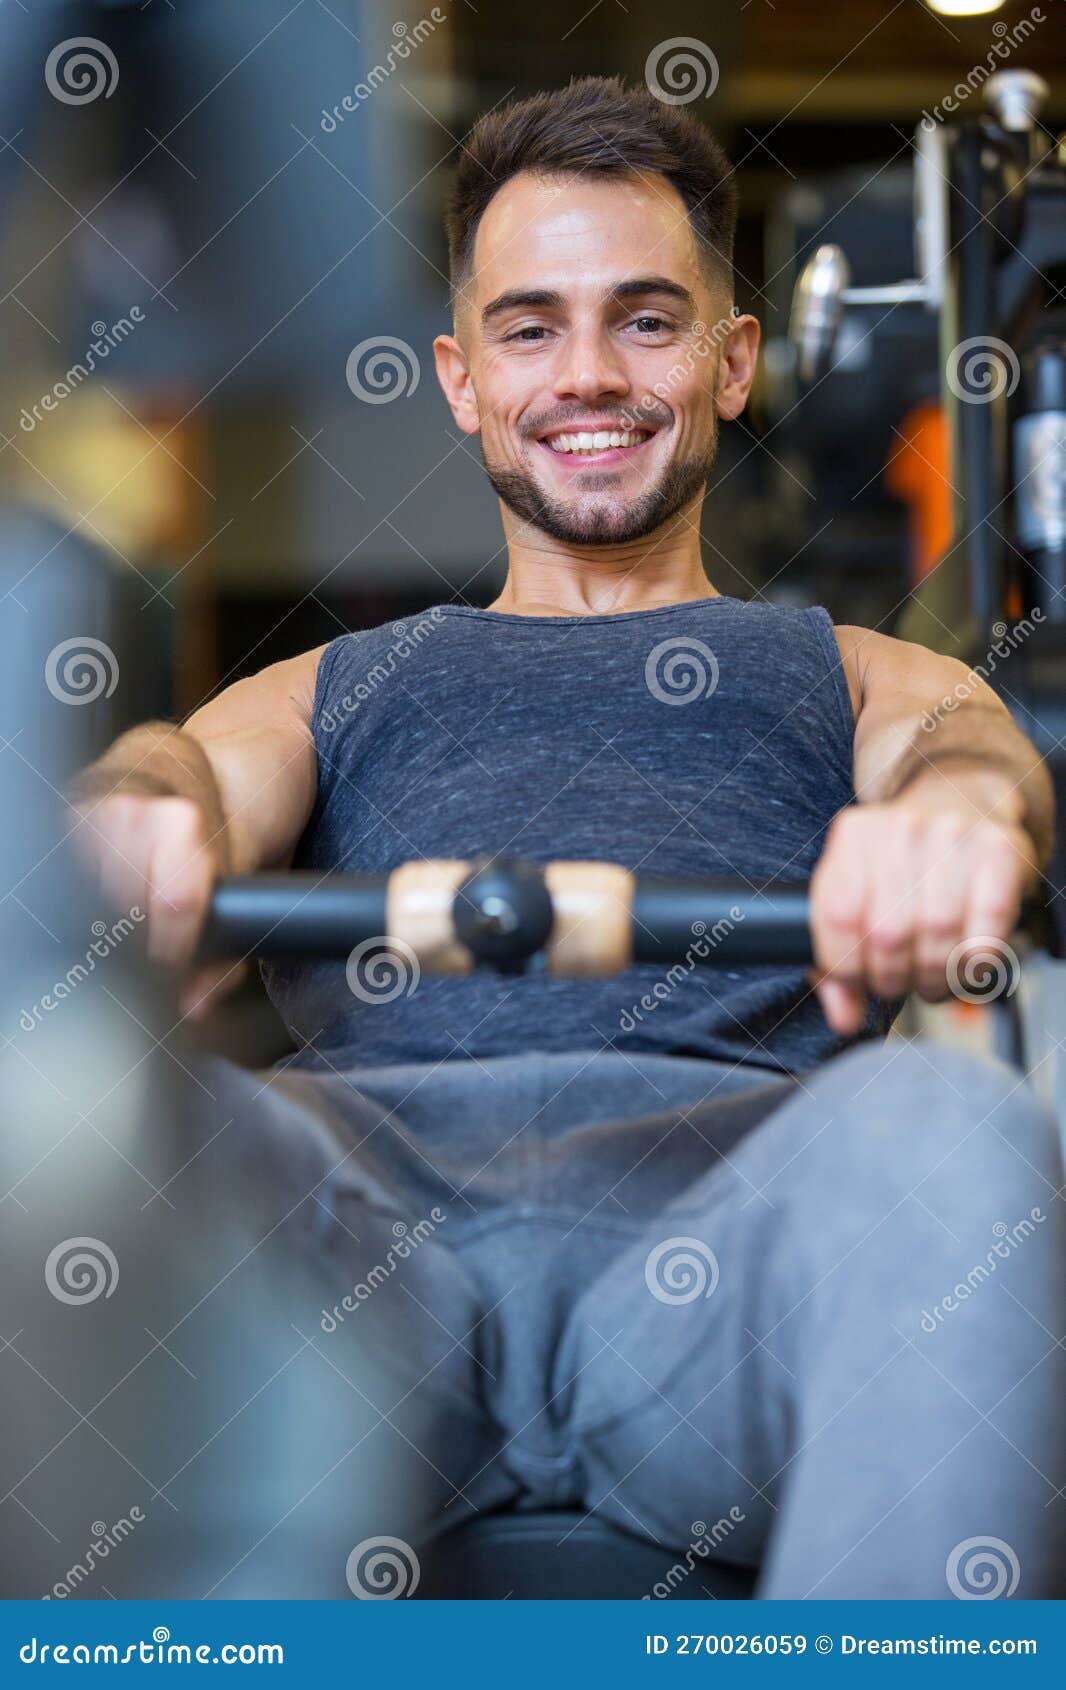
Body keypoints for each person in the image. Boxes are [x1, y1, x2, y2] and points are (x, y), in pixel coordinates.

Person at [68, 77, 1065, 1600]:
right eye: (529, 329)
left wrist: (952, 820)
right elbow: (186, 770)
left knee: (956, 1125)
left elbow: (960, 753)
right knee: (73, 1121)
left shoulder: (856, 670)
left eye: (646, 321)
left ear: (733, 360)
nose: (587, 373)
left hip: (725, 1279)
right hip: (364, 1278)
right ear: (463, 379)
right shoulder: (333, 685)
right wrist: (138, 823)